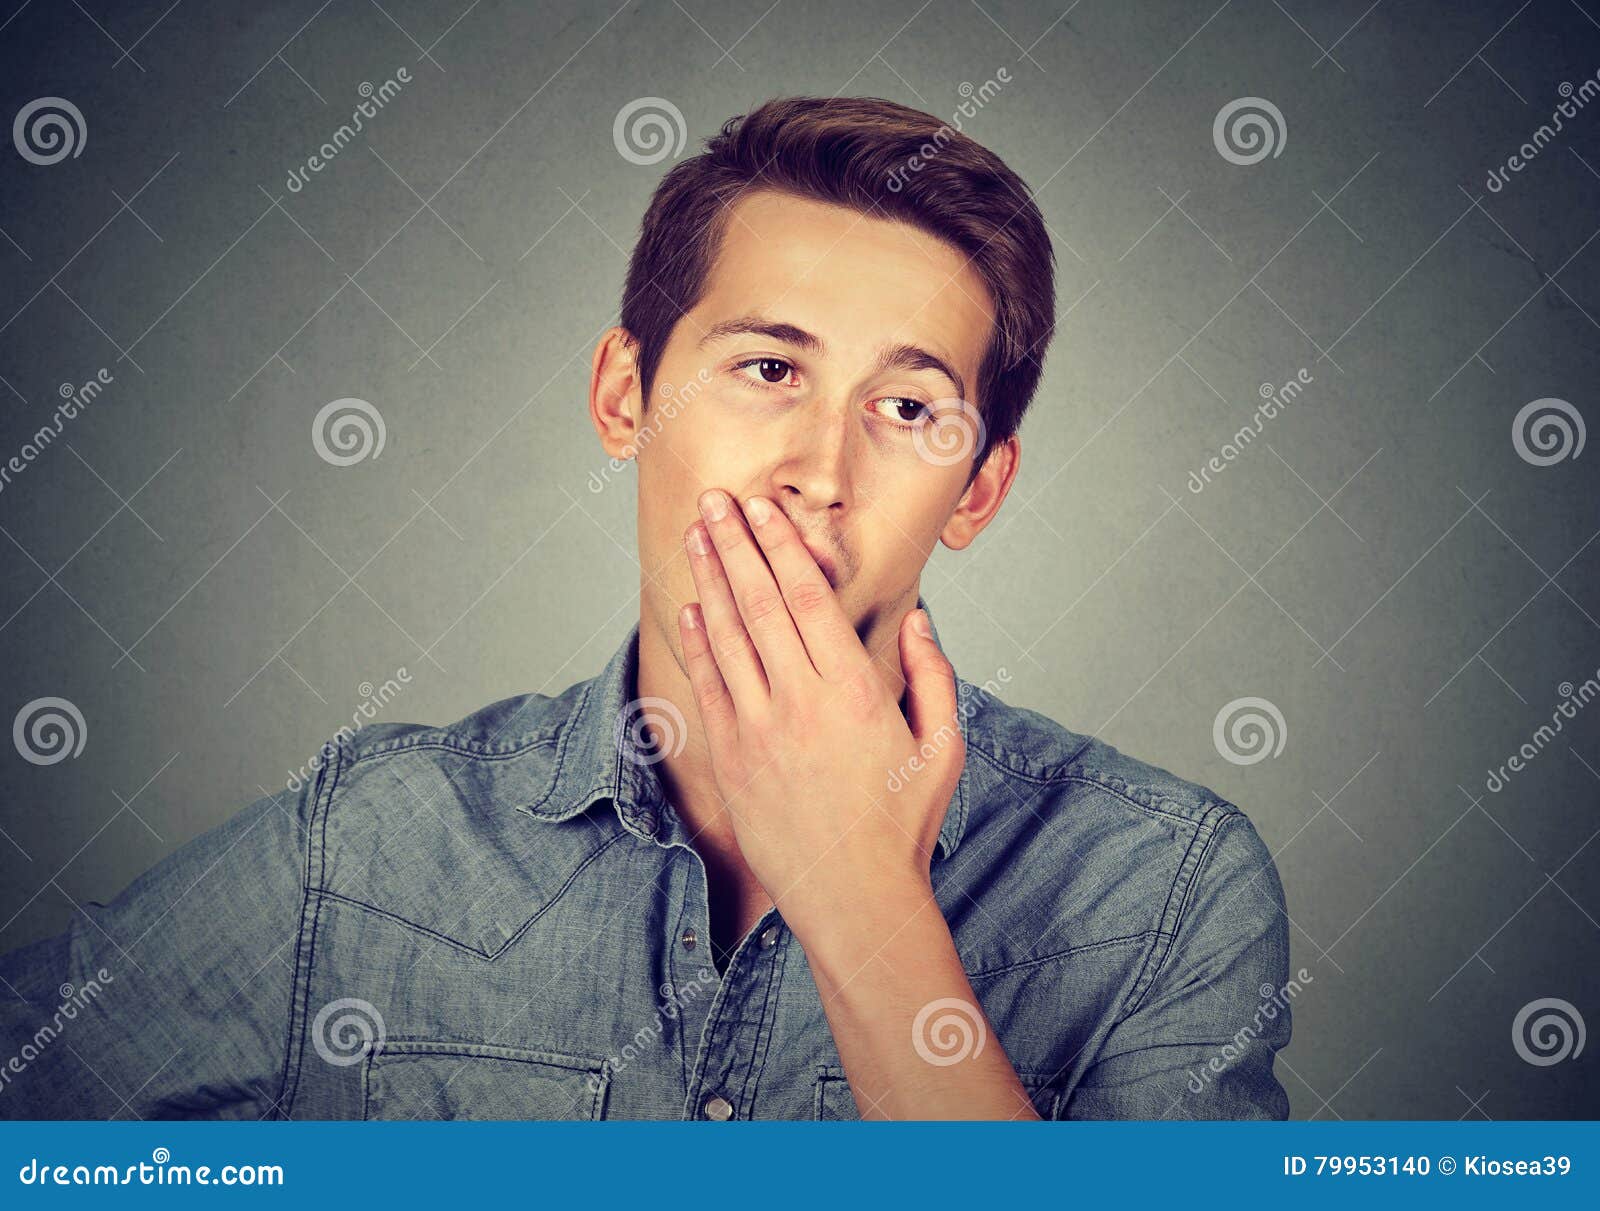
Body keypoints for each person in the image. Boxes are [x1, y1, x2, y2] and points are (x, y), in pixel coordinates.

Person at [0, 96, 1290, 1121]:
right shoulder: (368, 851)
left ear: (979, 487)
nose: (820, 473)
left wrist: (855, 891)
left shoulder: (1160, 887)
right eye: (768, 368)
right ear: (627, 397)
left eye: (908, 409)